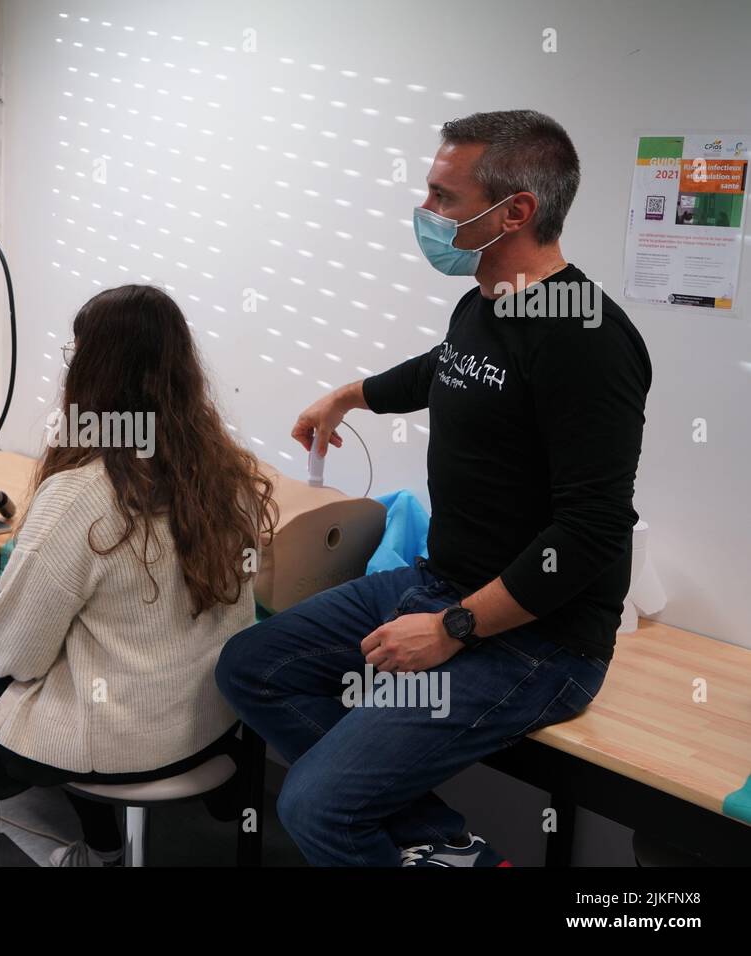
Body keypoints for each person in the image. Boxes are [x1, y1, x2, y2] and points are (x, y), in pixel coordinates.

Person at [216, 109, 652, 867]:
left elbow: (591, 531)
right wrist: (347, 396)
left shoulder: (588, 341)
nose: (426, 211)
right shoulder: (488, 302)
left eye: (445, 197)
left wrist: (453, 628)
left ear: (515, 211)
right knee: (252, 667)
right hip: (441, 582)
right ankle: (437, 843)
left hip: (537, 641)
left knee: (316, 807)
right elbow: (447, 369)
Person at [0, 283, 278, 866]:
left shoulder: (79, 497)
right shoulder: (225, 475)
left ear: (93, 375)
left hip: (125, 740)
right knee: (78, 663)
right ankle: (102, 851)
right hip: (206, 727)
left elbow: (11, 655)